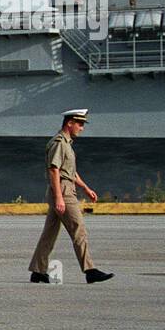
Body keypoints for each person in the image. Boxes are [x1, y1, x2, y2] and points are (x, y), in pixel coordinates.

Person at [28, 109, 115, 285]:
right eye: (80, 124)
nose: (82, 128)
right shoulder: (60, 143)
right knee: (79, 229)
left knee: (49, 234)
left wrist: (86, 188)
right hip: (63, 192)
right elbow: (54, 170)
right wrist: (59, 198)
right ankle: (90, 270)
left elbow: (70, 172)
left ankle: (38, 271)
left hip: (63, 189)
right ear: (69, 123)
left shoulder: (66, 143)